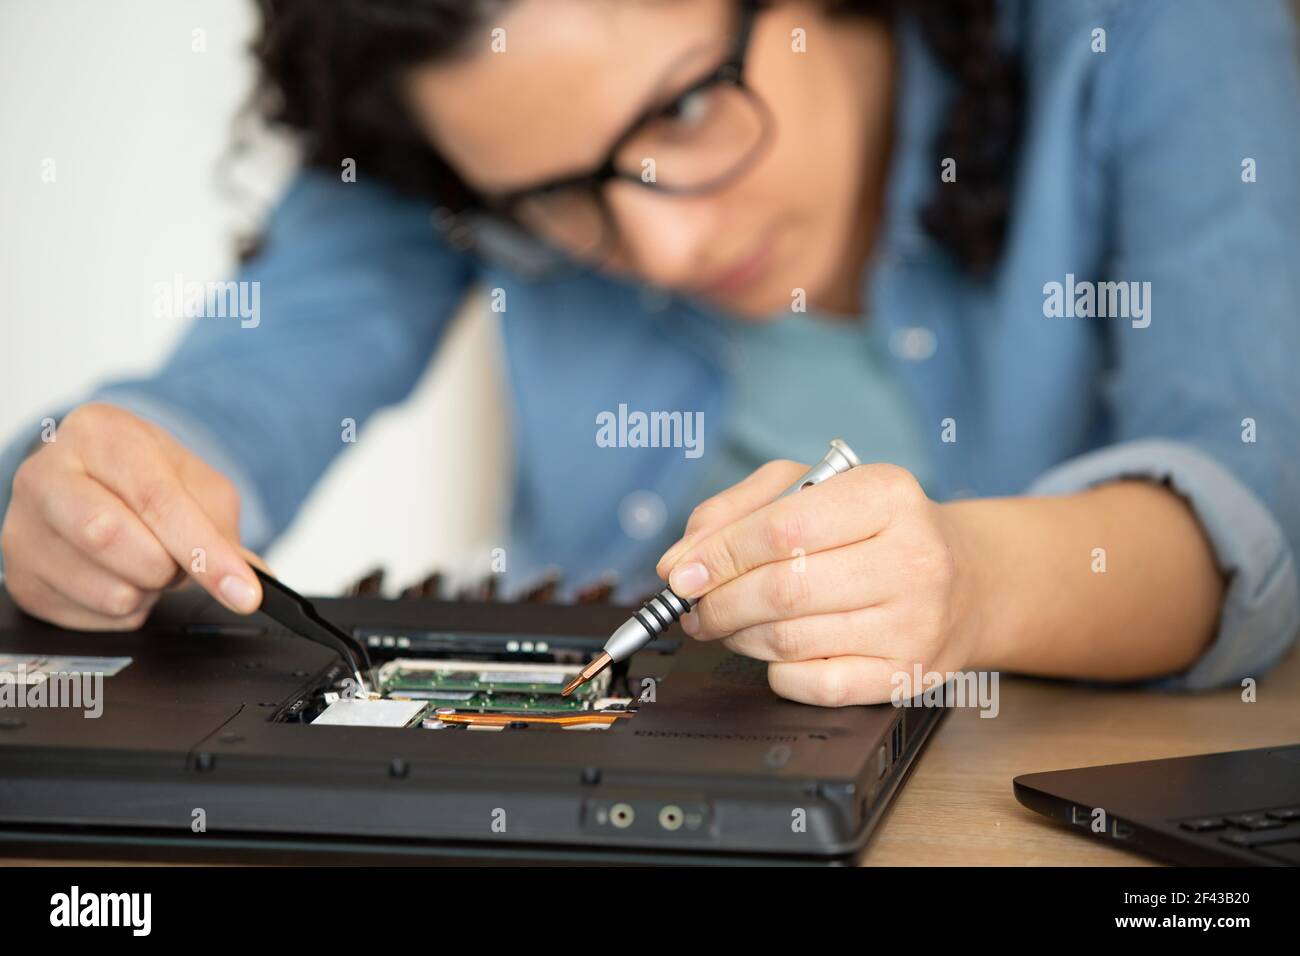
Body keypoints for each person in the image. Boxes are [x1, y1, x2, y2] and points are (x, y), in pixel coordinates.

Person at [2, 0, 1298, 706]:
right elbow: (229, 396)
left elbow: (1254, 514)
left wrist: (970, 585)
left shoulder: (1156, 29)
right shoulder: (442, 132)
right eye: (551, 197)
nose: (663, 246)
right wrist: (100, 494)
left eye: (682, 106)